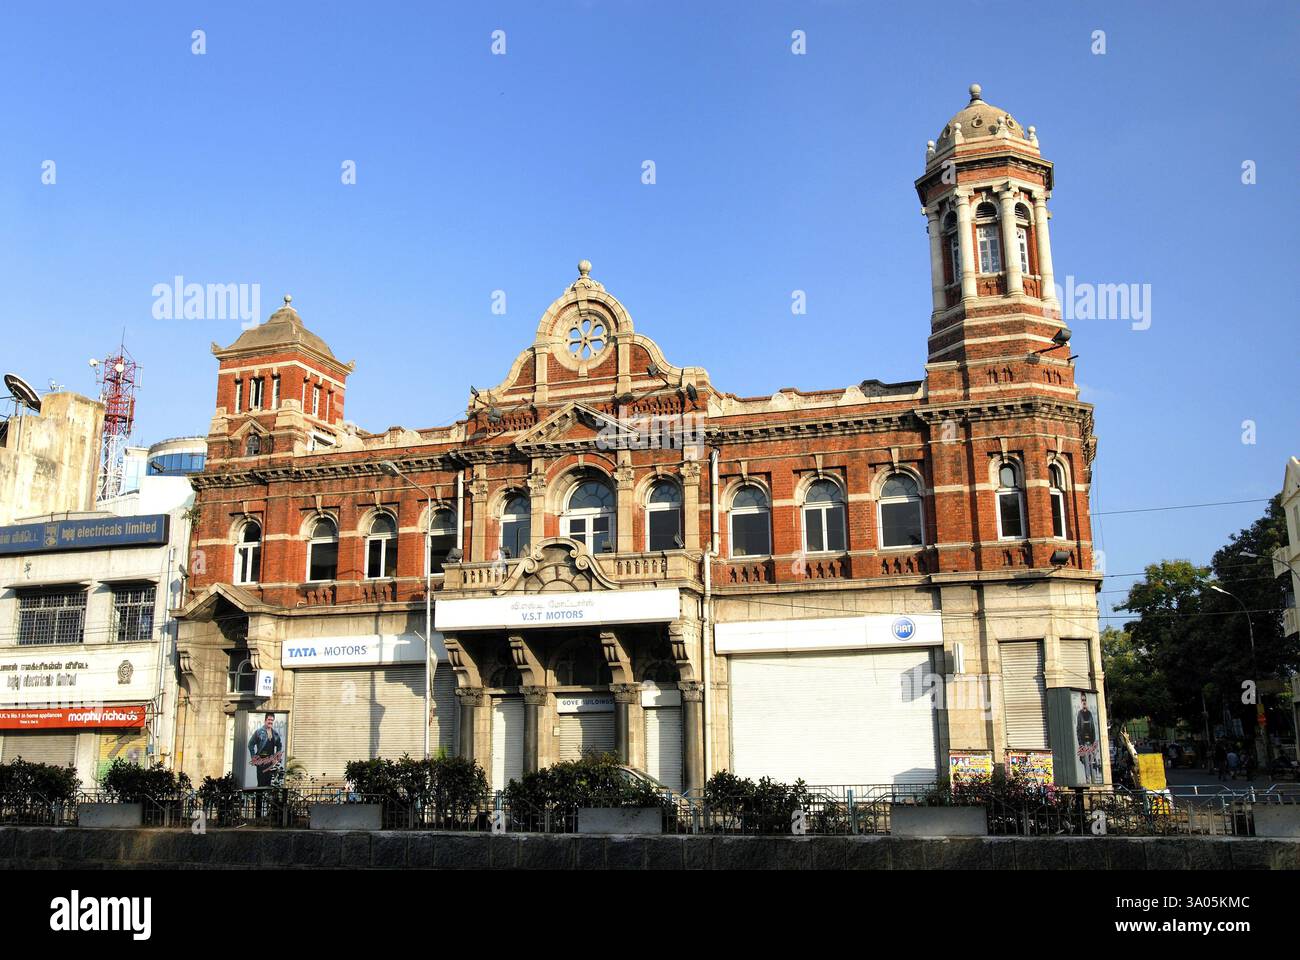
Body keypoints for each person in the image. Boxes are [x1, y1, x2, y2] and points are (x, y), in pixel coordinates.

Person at [247, 712, 284, 817]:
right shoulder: (259, 732)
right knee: (260, 787)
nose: (270, 722)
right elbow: (250, 745)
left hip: (271, 763)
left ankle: (269, 814)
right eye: (269, 720)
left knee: (270, 788)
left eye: (272, 720)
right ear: (265, 720)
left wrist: (277, 758)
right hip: (261, 763)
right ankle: (258, 814)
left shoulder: (275, 734)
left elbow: (279, 745)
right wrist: (254, 757)